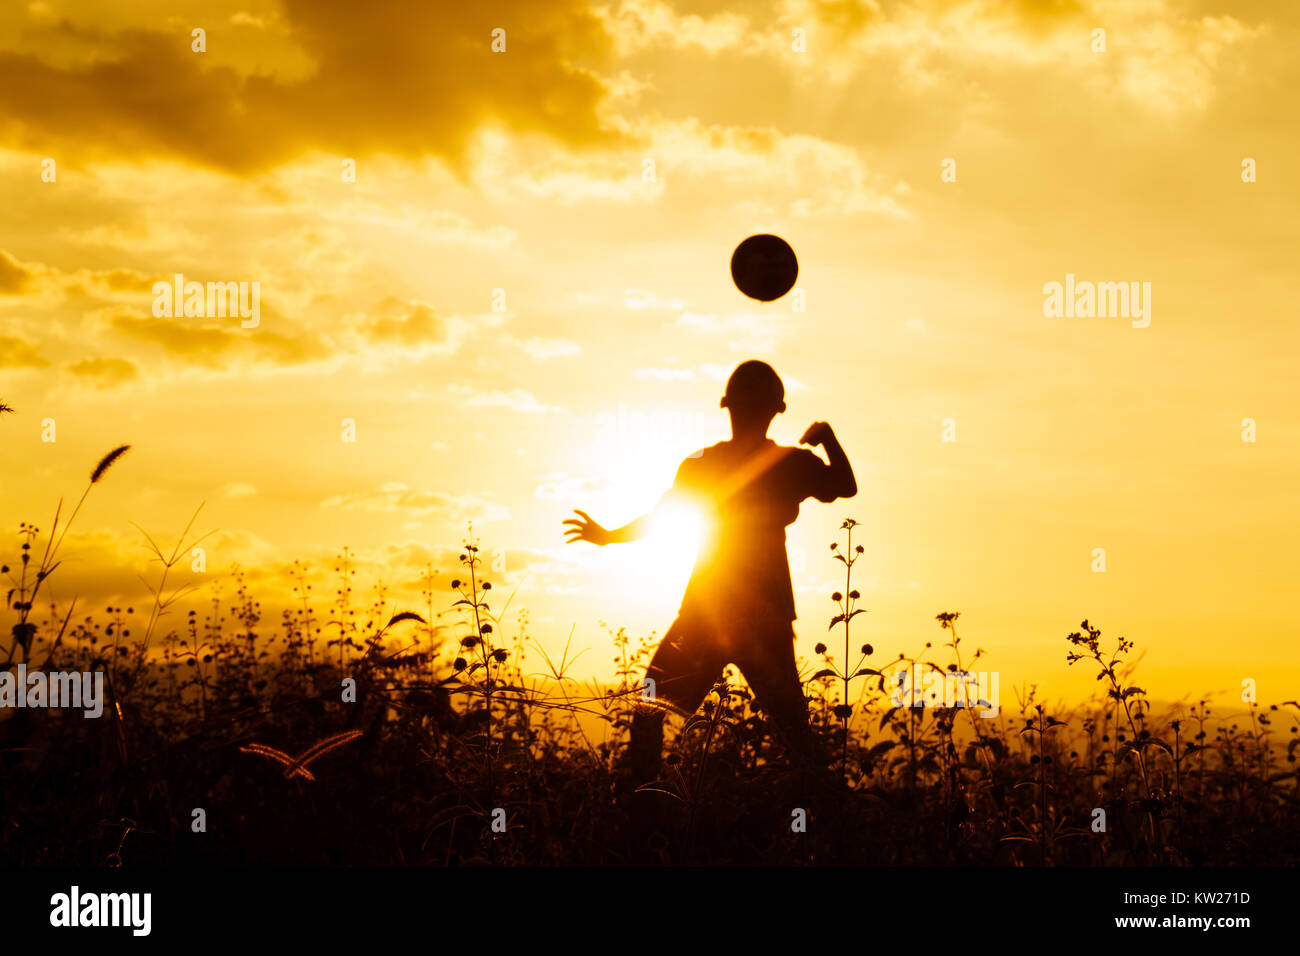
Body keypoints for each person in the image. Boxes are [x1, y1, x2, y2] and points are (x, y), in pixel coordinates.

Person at [563, 360, 857, 783]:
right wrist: (826, 436)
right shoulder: (788, 464)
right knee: (796, 736)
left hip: (711, 609)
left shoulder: (705, 464)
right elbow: (845, 485)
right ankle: (831, 822)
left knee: (650, 707)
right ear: (778, 409)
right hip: (760, 615)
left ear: (727, 406)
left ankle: (642, 808)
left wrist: (610, 536)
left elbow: (662, 517)